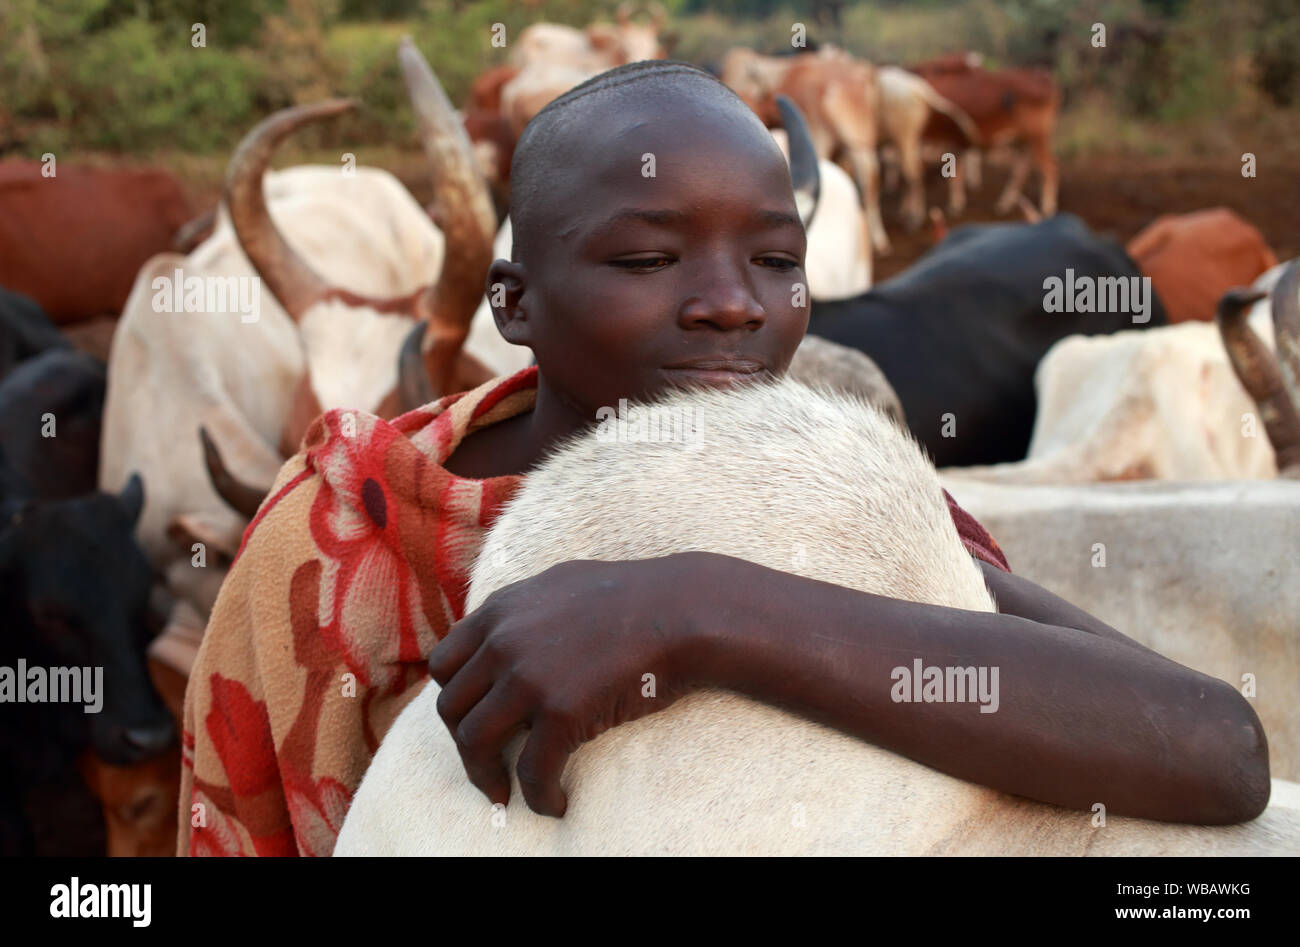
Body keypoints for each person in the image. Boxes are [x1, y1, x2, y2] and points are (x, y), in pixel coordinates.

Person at [177, 60, 1268, 856]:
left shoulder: (832, 489)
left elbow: (1215, 749)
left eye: (776, 258)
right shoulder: (338, 539)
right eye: (649, 256)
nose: (730, 303)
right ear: (512, 304)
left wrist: (698, 607)